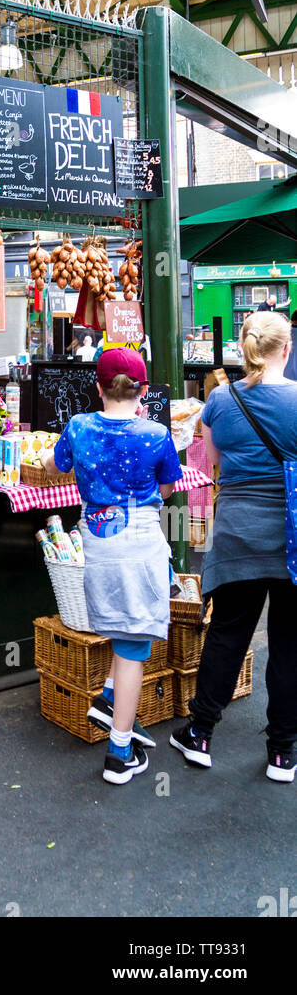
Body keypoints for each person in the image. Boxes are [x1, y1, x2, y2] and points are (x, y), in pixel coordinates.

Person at [41, 349, 183, 784]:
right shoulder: (156, 433)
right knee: (135, 643)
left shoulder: (78, 427)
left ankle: (106, 697)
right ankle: (119, 753)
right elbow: (169, 485)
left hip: (97, 543)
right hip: (139, 542)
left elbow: (52, 466)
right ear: (142, 391)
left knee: (122, 630)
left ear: (98, 388)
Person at [170, 311, 297, 781]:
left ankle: (200, 734)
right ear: (286, 349)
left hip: (237, 534)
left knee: (226, 634)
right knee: (288, 646)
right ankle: (283, 752)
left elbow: (216, 463)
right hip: (292, 538)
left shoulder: (220, 400)